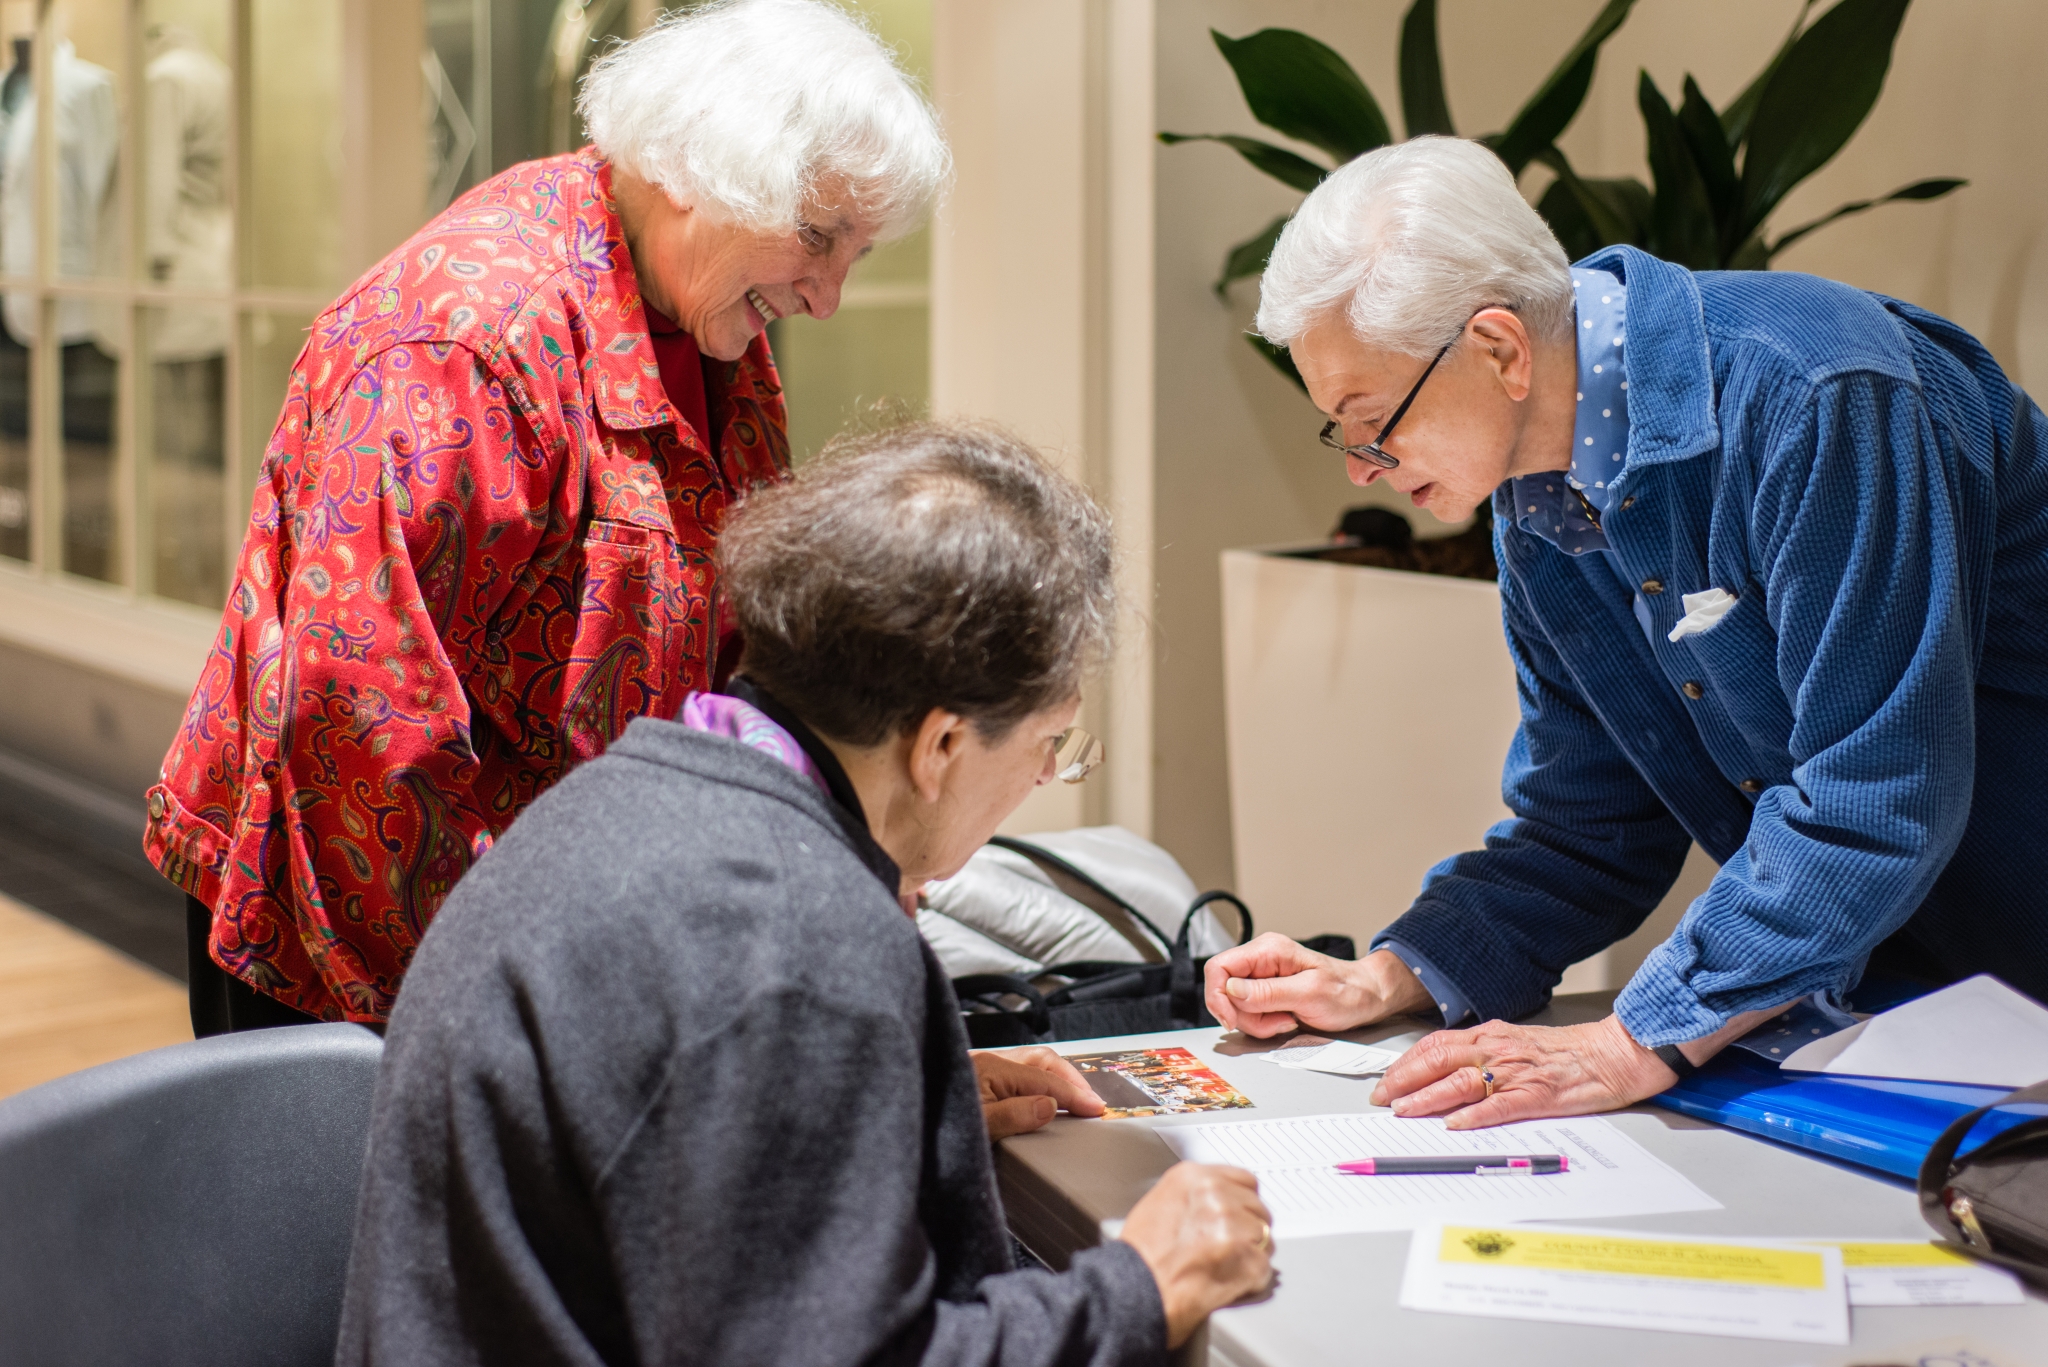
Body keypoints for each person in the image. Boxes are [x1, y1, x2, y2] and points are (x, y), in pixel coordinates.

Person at [335, 423, 1275, 1364]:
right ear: (942, 746)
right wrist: (1141, 1285)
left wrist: (890, 1105)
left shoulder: (610, 804)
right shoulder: (802, 944)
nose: (1042, 775)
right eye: (1048, 742)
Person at [1204, 136, 2048, 1128]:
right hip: (1918, 1023)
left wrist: (1627, 1040)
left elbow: (1873, 793)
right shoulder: (1535, 507)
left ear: (1499, 350)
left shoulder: (1817, 394)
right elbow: (1589, 824)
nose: (1359, 467)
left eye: (1371, 418)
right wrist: (1383, 976)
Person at [142, 0, 950, 1033]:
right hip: (365, 938)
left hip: (563, 932)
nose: (827, 297)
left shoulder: (705, 315)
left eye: (855, 255)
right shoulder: (463, 345)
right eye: (816, 238)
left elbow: (733, 643)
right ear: (697, 174)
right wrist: (520, 1011)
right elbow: (357, 726)